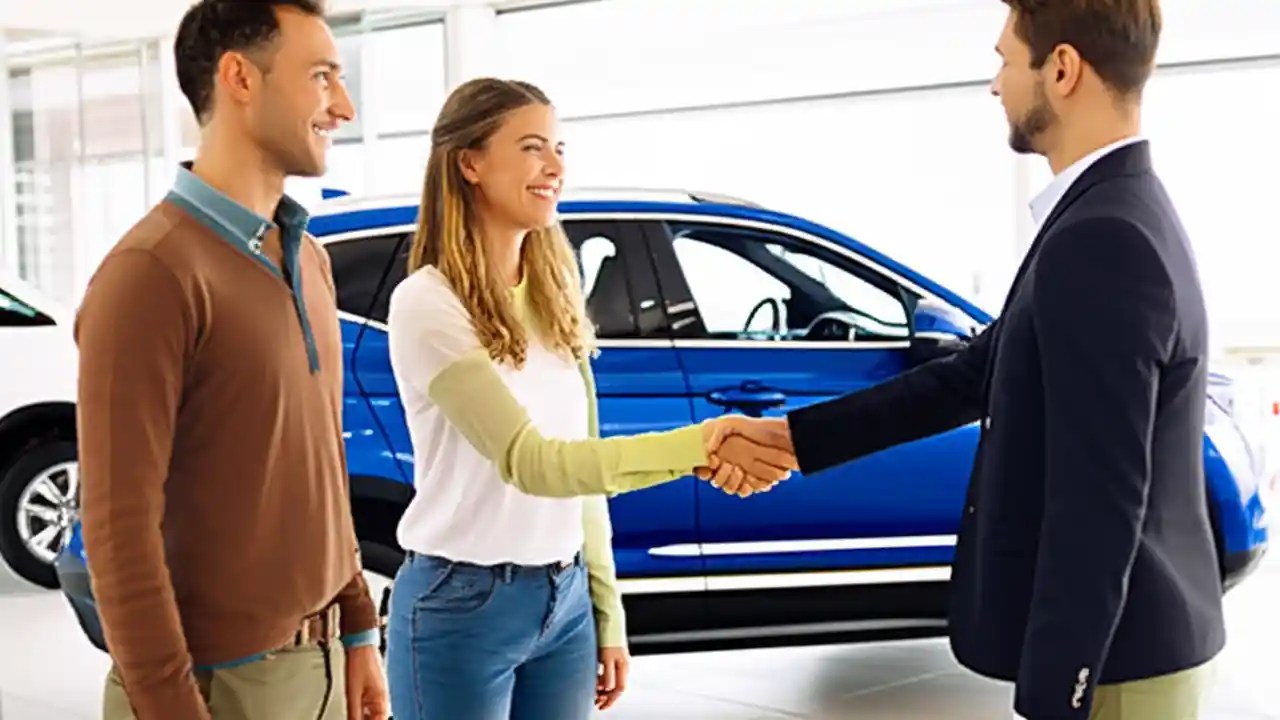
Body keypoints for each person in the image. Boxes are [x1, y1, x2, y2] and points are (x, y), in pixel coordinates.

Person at [714, 1, 1222, 718]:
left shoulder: (1102, 236)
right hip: (1127, 652)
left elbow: (1100, 499)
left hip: (1114, 667)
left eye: (1006, 60)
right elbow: (980, 371)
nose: (996, 85)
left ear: (1064, 69)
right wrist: (795, 440)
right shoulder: (1111, 211)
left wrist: (1057, 693)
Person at [382, 77, 796, 719]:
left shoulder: (554, 290)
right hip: (461, 604)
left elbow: (584, 469)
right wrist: (700, 446)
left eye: (559, 147)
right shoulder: (428, 303)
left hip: (563, 599)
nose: (555, 167)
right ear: (469, 163)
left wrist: (607, 611)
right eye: (531, 148)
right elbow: (534, 463)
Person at [74, 2, 389, 718]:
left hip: (323, 664)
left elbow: (320, 467)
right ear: (239, 77)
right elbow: (118, 530)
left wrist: (359, 628)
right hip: (217, 689)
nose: (342, 106)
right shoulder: (149, 273)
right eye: (321, 78)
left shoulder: (306, 257)